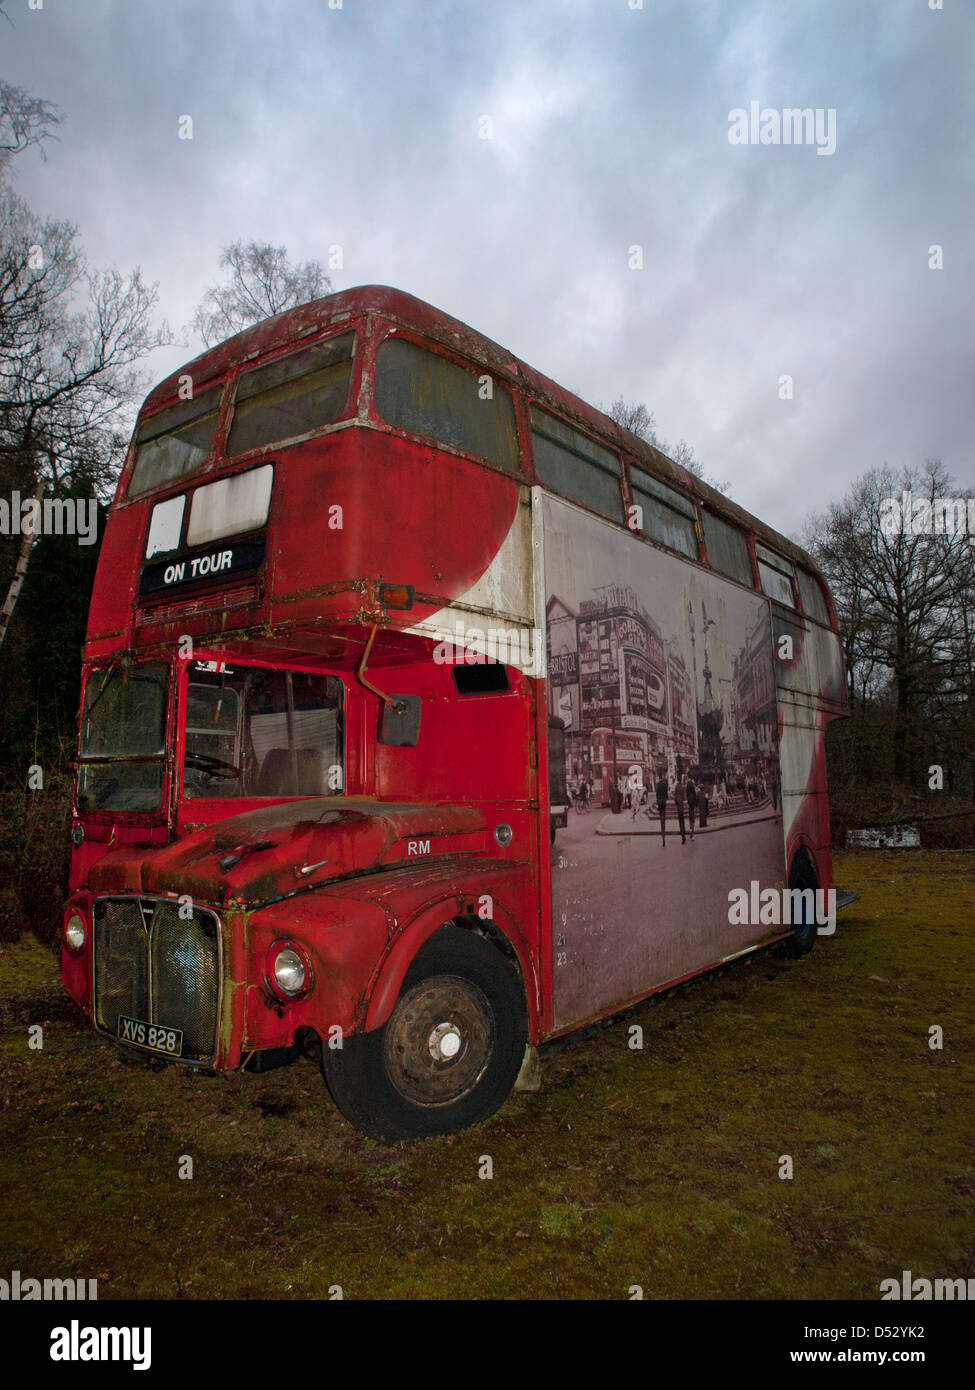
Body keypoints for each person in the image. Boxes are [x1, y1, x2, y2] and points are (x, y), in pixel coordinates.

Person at [654, 770, 669, 845]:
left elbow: (657, 794)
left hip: (660, 803)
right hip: (664, 803)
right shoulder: (664, 784)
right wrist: (666, 799)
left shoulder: (658, 785)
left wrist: (657, 801)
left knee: (661, 818)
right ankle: (664, 832)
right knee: (664, 817)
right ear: (662, 776)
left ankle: (662, 836)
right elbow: (666, 794)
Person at [672, 776, 687, 845]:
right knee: (682, 820)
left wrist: (676, 801)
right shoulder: (682, 787)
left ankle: (682, 834)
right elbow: (684, 797)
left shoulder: (676, 787)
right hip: (681, 806)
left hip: (678, 806)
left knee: (680, 821)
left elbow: (675, 796)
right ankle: (684, 833)